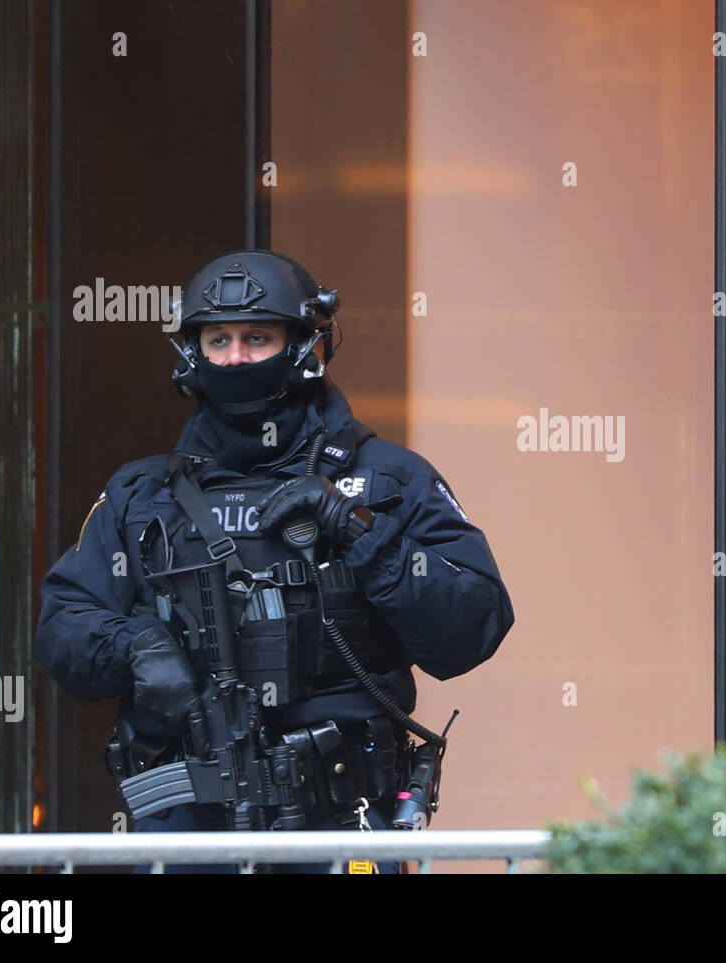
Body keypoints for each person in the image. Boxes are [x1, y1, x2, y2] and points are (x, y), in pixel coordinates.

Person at [34, 250, 514, 873]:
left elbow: (475, 625)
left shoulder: (388, 480)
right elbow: (61, 624)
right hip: (192, 827)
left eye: (257, 337)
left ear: (302, 344)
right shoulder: (141, 495)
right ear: (192, 352)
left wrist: (360, 533)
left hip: (344, 823)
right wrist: (135, 646)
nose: (235, 357)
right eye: (219, 339)